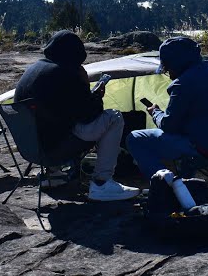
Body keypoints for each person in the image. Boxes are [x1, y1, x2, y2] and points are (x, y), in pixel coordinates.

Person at [14, 30, 141, 201]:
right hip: (54, 149)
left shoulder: (35, 69)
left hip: (31, 146)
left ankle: (53, 174)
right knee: (114, 117)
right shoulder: (65, 74)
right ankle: (102, 183)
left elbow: (65, 108)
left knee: (57, 118)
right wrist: (92, 93)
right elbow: (88, 116)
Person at [126, 36, 208, 179]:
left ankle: (166, 186)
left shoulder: (183, 84)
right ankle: (184, 180)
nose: (168, 75)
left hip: (205, 149)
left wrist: (155, 112)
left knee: (135, 138)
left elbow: (168, 126)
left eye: (167, 68)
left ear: (175, 64)